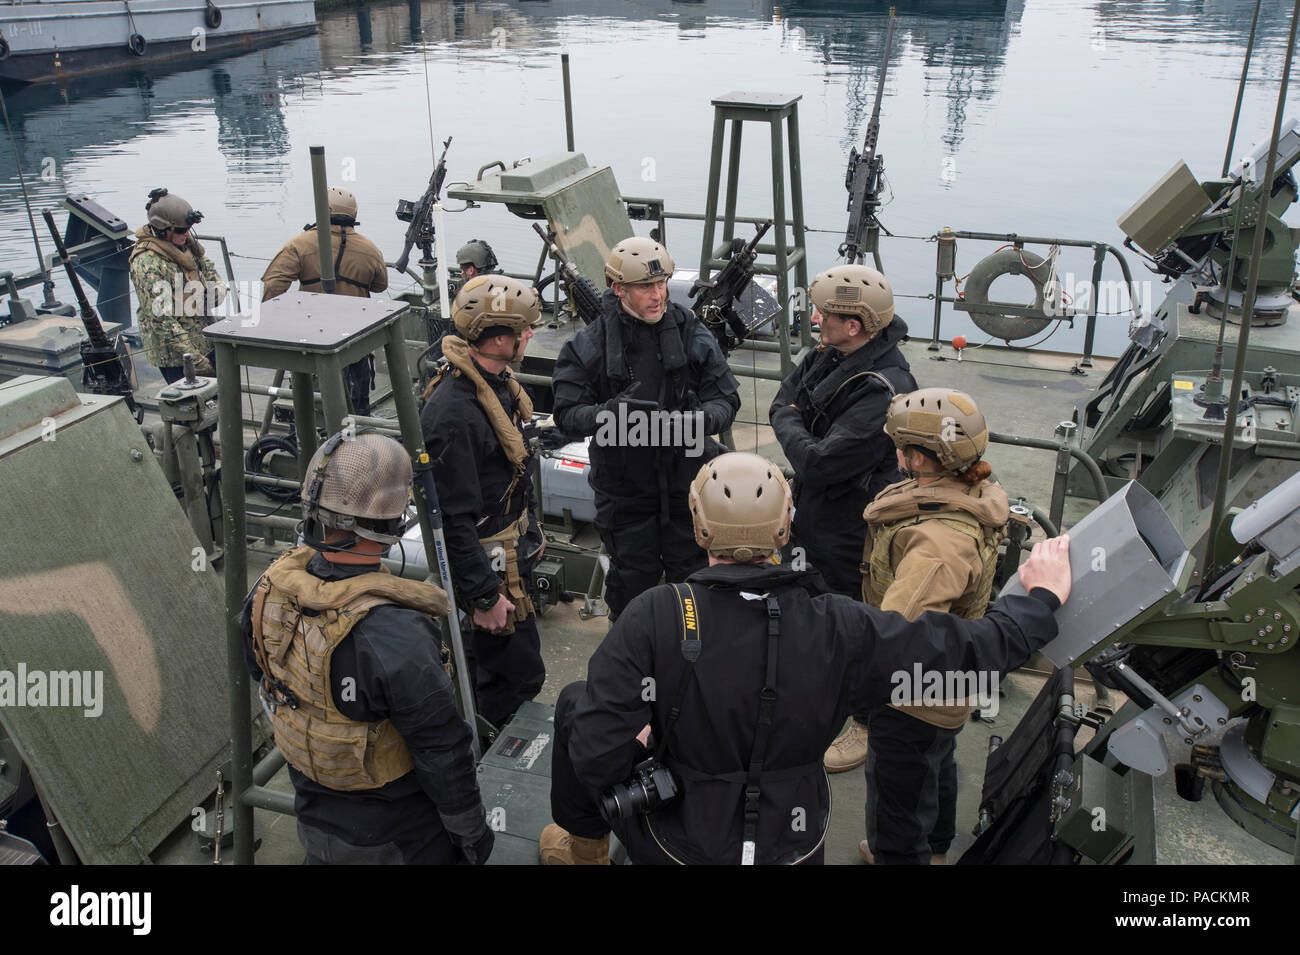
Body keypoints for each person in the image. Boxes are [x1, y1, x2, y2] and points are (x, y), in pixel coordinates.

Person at [537, 452, 1071, 865]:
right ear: (784, 526)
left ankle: (585, 849)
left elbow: (598, 753)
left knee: (575, 703)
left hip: (677, 843)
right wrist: (1039, 600)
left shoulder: (655, 614)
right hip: (793, 841)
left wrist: (644, 754)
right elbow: (965, 653)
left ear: (700, 526)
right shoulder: (840, 625)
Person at [242, 430, 491, 864]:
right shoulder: (397, 634)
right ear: (389, 524)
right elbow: (441, 750)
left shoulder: (267, 593)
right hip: (397, 837)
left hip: (314, 817)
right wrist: (472, 834)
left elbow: (263, 672)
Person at [769, 263, 918, 774]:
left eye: (825, 314)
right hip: (815, 513)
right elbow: (782, 401)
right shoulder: (830, 354)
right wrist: (792, 420)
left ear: (854, 325)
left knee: (854, 622)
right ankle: (813, 687)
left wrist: (790, 421)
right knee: (807, 600)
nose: (816, 318)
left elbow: (820, 461)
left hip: (853, 526)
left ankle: (864, 720)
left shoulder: (882, 387)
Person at [551, 236, 741, 620]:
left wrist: (698, 422)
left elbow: (725, 400)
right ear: (618, 288)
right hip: (625, 491)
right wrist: (609, 414)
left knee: (694, 588)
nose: (658, 295)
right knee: (632, 587)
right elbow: (567, 414)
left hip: (686, 483)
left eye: (662, 284)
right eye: (645, 287)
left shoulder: (690, 332)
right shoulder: (591, 343)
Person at [859, 388, 1010, 865]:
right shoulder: (972, 492)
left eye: (902, 448)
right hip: (947, 688)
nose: (896, 455)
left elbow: (898, 637)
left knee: (897, 794)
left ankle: (903, 855)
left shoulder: (937, 545)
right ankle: (938, 848)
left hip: (913, 698)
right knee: (937, 767)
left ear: (921, 460)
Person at [419, 274, 547, 729]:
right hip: (487, 569)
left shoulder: (496, 386)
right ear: (497, 337)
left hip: (510, 551)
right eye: (523, 328)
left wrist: (531, 532)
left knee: (516, 673)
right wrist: (483, 596)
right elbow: (451, 519)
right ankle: (488, 758)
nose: (530, 333)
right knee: (507, 679)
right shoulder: (454, 415)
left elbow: (512, 470)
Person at [261, 187, 389, 416]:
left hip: (311, 339)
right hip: (355, 339)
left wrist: (278, 321)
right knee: (358, 407)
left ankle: (308, 443)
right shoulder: (370, 249)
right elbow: (380, 286)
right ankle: (359, 446)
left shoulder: (299, 244)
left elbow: (273, 284)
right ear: (354, 213)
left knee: (308, 404)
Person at [128, 187, 227, 383]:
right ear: (163, 229)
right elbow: (162, 321)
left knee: (222, 396)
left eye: (188, 229)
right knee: (192, 406)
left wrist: (218, 290)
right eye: (181, 230)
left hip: (203, 336)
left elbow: (209, 271)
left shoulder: (186, 246)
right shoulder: (147, 263)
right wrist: (195, 360)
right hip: (175, 354)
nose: (186, 234)